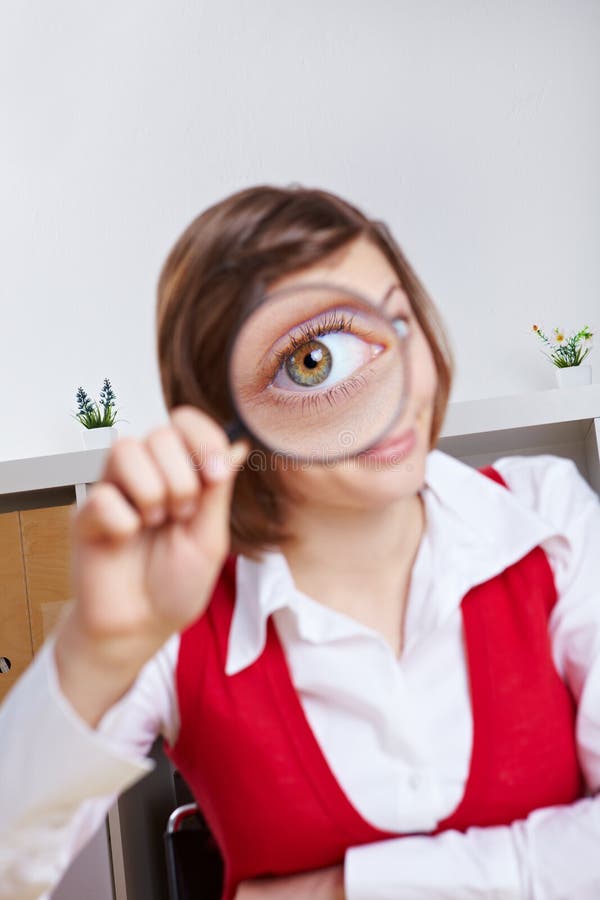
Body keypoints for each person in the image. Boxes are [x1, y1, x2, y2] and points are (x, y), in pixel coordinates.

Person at [1, 185, 599, 900]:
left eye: (397, 324)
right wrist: (96, 650)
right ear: (228, 421)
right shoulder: (180, 607)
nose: (394, 384)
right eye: (313, 361)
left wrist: (344, 890)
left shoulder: (546, 516)